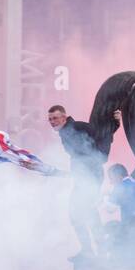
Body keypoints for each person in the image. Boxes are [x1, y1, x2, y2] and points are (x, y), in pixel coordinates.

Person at [48, 104, 106, 259]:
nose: (52, 122)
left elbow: (102, 133)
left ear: (64, 117)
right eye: (50, 119)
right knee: (84, 212)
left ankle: (95, 250)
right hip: (84, 177)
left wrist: (116, 121)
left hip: (91, 176)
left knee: (80, 213)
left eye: (55, 118)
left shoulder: (77, 127)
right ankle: (95, 250)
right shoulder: (64, 132)